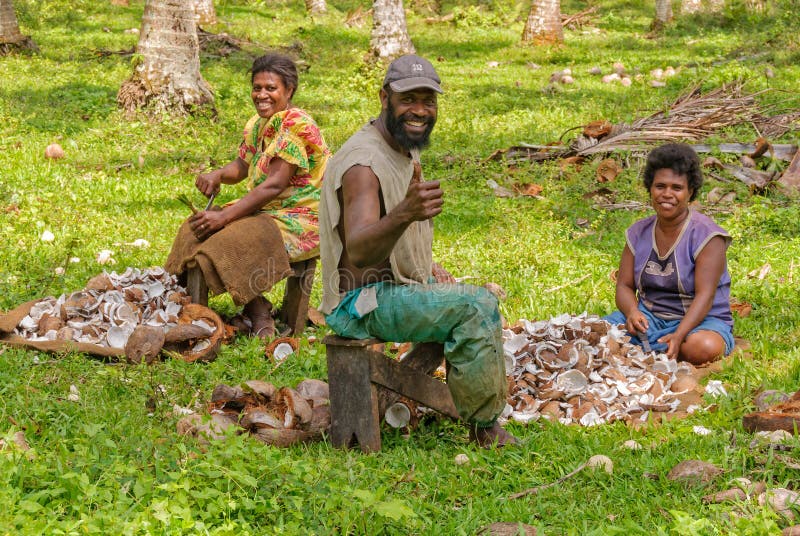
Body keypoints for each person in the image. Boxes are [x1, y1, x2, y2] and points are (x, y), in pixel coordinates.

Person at [319, 55, 516, 448]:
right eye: (408, 100)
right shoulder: (364, 164)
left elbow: (388, 236)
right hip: (360, 305)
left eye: (428, 101)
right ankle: (484, 427)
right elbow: (358, 249)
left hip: (392, 288)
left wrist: (426, 266)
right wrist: (407, 212)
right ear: (384, 97)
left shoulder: (401, 145)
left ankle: (452, 402)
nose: (420, 111)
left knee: (466, 298)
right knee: (476, 306)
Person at [169, 53, 330, 338]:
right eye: (257, 88)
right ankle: (188, 304)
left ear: (289, 90)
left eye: (271, 88)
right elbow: (242, 166)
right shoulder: (258, 124)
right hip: (267, 211)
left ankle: (258, 313)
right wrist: (217, 174)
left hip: (302, 218)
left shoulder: (296, 124)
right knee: (194, 228)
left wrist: (225, 218)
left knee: (228, 238)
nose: (262, 95)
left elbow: (274, 185)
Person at [605, 143, 734, 365]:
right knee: (598, 334)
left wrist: (680, 334)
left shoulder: (707, 236)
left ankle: (655, 348)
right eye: (660, 186)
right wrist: (633, 312)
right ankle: (655, 347)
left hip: (700, 322)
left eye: (677, 188)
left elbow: (705, 296)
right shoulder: (638, 233)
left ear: (690, 191)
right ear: (650, 189)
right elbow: (624, 285)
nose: (667, 194)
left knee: (702, 348)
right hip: (650, 319)